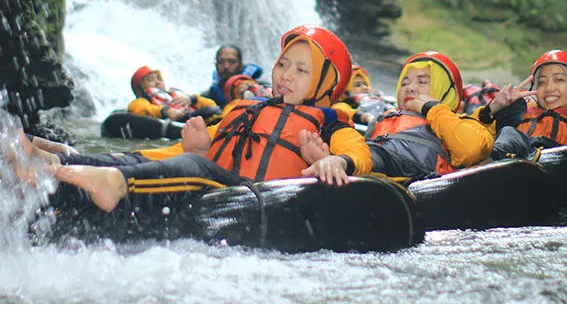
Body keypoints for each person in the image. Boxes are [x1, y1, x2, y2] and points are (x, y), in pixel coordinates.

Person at [19, 25, 372, 213]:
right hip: (219, 181)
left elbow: (361, 154)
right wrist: (200, 145)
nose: (285, 74)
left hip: (252, 197)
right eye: (282, 64)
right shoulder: (244, 112)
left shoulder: (330, 125)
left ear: (327, 82)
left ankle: (115, 184)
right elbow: (171, 153)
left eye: (301, 69)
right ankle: (62, 159)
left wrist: (332, 161)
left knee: (194, 166)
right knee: (168, 156)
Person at [357, 51, 494, 180]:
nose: (410, 88)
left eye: (422, 82)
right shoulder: (385, 119)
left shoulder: (459, 124)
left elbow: (473, 150)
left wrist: (432, 109)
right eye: (405, 83)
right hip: (375, 177)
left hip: (418, 191)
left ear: (445, 91)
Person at [476, 49, 567, 158]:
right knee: (508, 133)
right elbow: (475, 138)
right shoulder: (518, 110)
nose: (548, 88)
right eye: (541, 82)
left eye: (559, 80)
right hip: (515, 164)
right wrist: (494, 107)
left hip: (564, 167)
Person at [127, 65, 220, 122]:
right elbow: (138, 110)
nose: (157, 82)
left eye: (159, 79)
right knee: (210, 112)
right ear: (140, 88)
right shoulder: (141, 101)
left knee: (213, 110)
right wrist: (166, 111)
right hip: (177, 121)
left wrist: (192, 99)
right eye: (151, 80)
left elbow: (212, 104)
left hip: (192, 116)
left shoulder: (173, 96)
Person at [331, 65, 395, 126]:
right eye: (358, 85)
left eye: (365, 84)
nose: (365, 87)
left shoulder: (381, 101)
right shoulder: (340, 106)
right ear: (344, 93)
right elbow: (344, 112)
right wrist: (367, 117)